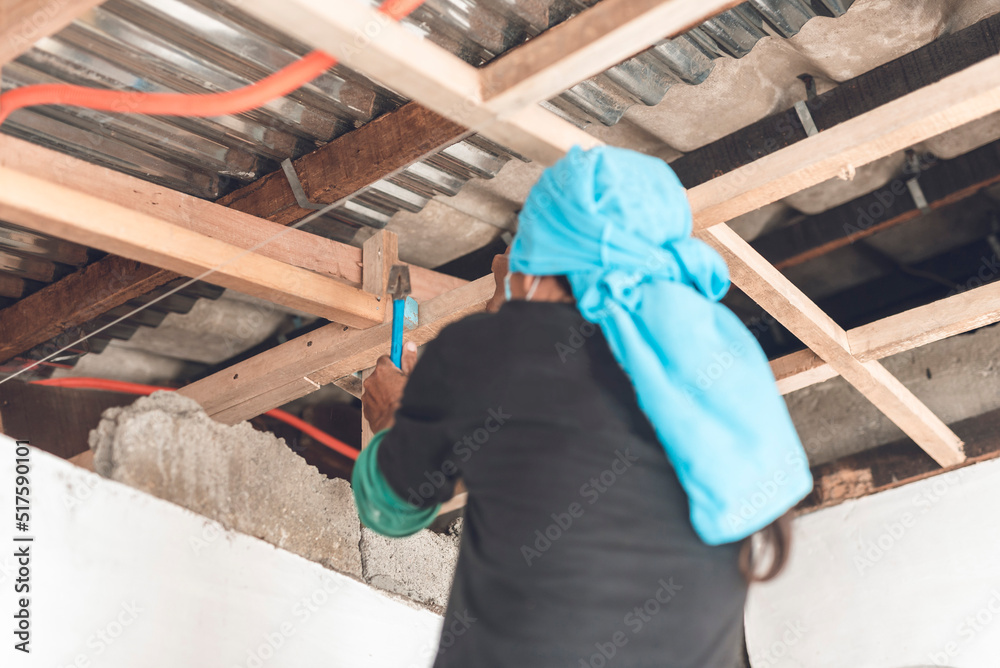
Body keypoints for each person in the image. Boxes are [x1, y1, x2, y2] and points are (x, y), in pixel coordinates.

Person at [353, 146, 812, 667]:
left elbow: (390, 509)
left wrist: (393, 414)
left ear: (539, 261)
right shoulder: (718, 364)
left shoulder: (489, 348)